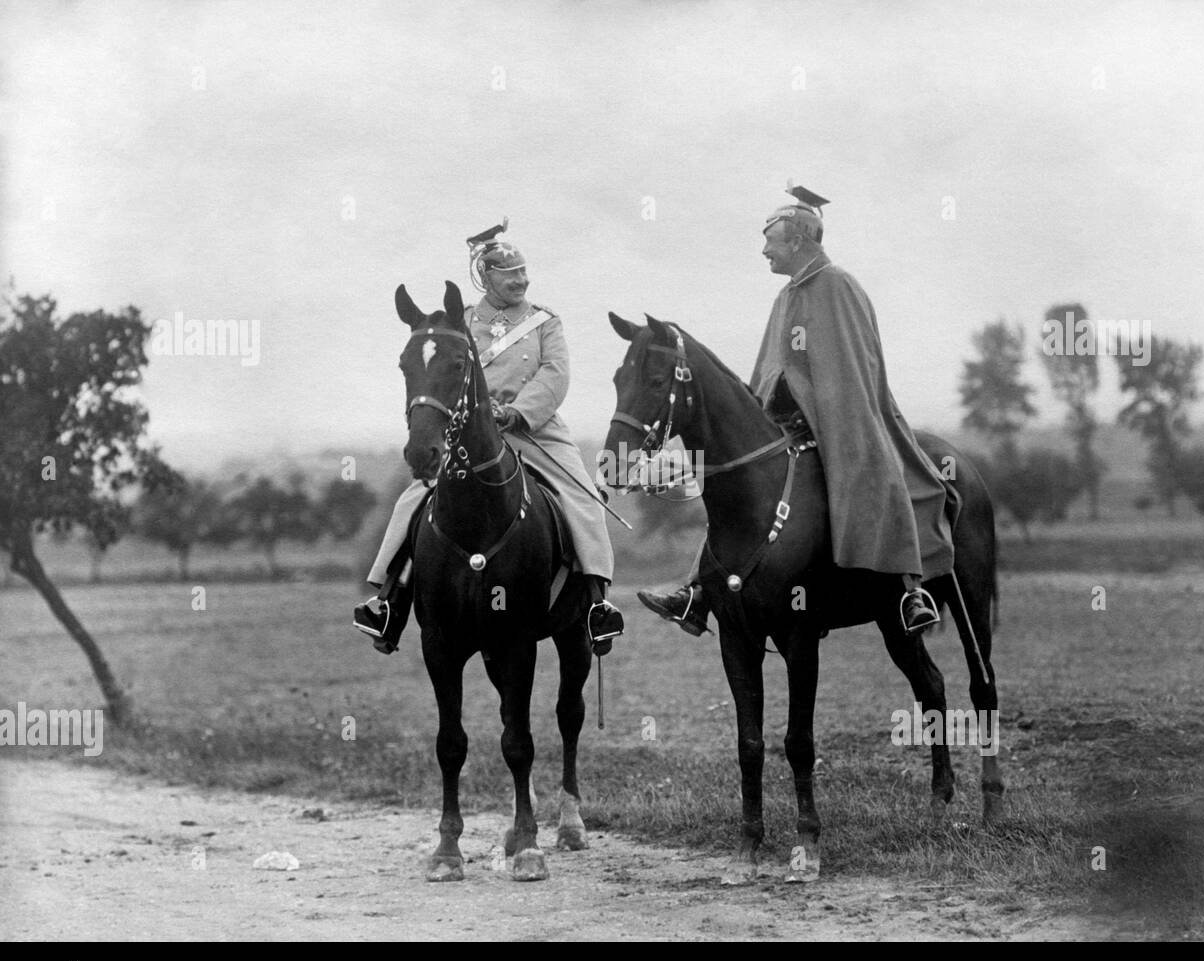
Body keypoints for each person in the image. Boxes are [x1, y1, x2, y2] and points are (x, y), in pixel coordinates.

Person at [637, 185, 953, 636]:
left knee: (876, 472)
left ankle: (908, 588)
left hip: (846, 420)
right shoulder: (785, 297)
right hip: (785, 429)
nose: (764, 249)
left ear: (799, 241)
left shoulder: (840, 286)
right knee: (735, 492)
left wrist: (824, 409)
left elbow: (854, 369)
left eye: (771, 240)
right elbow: (772, 367)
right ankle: (698, 591)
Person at [354, 225, 624, 655]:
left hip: (534, 432)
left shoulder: (544, 322)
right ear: (486, 276)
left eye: (523, 272)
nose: (521, 280)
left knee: (584, 499)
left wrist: (518, 412)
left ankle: (596, 604)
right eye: (509, 274)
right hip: (469, 433)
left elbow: (555, 374)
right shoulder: (458, 319)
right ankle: (389, 602)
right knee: (415, 500)